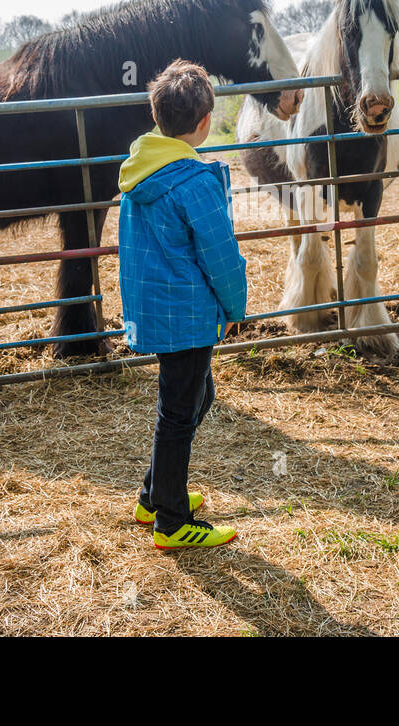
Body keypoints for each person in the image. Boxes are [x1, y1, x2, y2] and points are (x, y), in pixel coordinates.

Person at [117, 59, 247, 549]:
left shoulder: (140, 173)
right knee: (178, 411)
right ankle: (170, 521)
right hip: (189, 315)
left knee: (196, 397)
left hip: (158, 311)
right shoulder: (194, 182)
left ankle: (155, 495)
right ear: (204, 122)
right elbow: (221, 256)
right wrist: (236, 307)